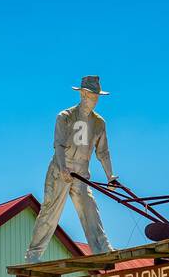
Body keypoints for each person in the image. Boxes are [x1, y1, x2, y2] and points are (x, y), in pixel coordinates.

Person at [24, 75, 117, 263]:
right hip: (61, 169)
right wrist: (63, 167)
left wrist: (110, 176)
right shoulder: (65, 117)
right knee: (51, 212)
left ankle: (102, 249)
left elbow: (103, 152)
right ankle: (33, 255)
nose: (95, 100)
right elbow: (58, 145)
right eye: (92, 95)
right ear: (83, 94)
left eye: (97, 96)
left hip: (81, 173)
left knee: (89, 207)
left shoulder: (99, 123)